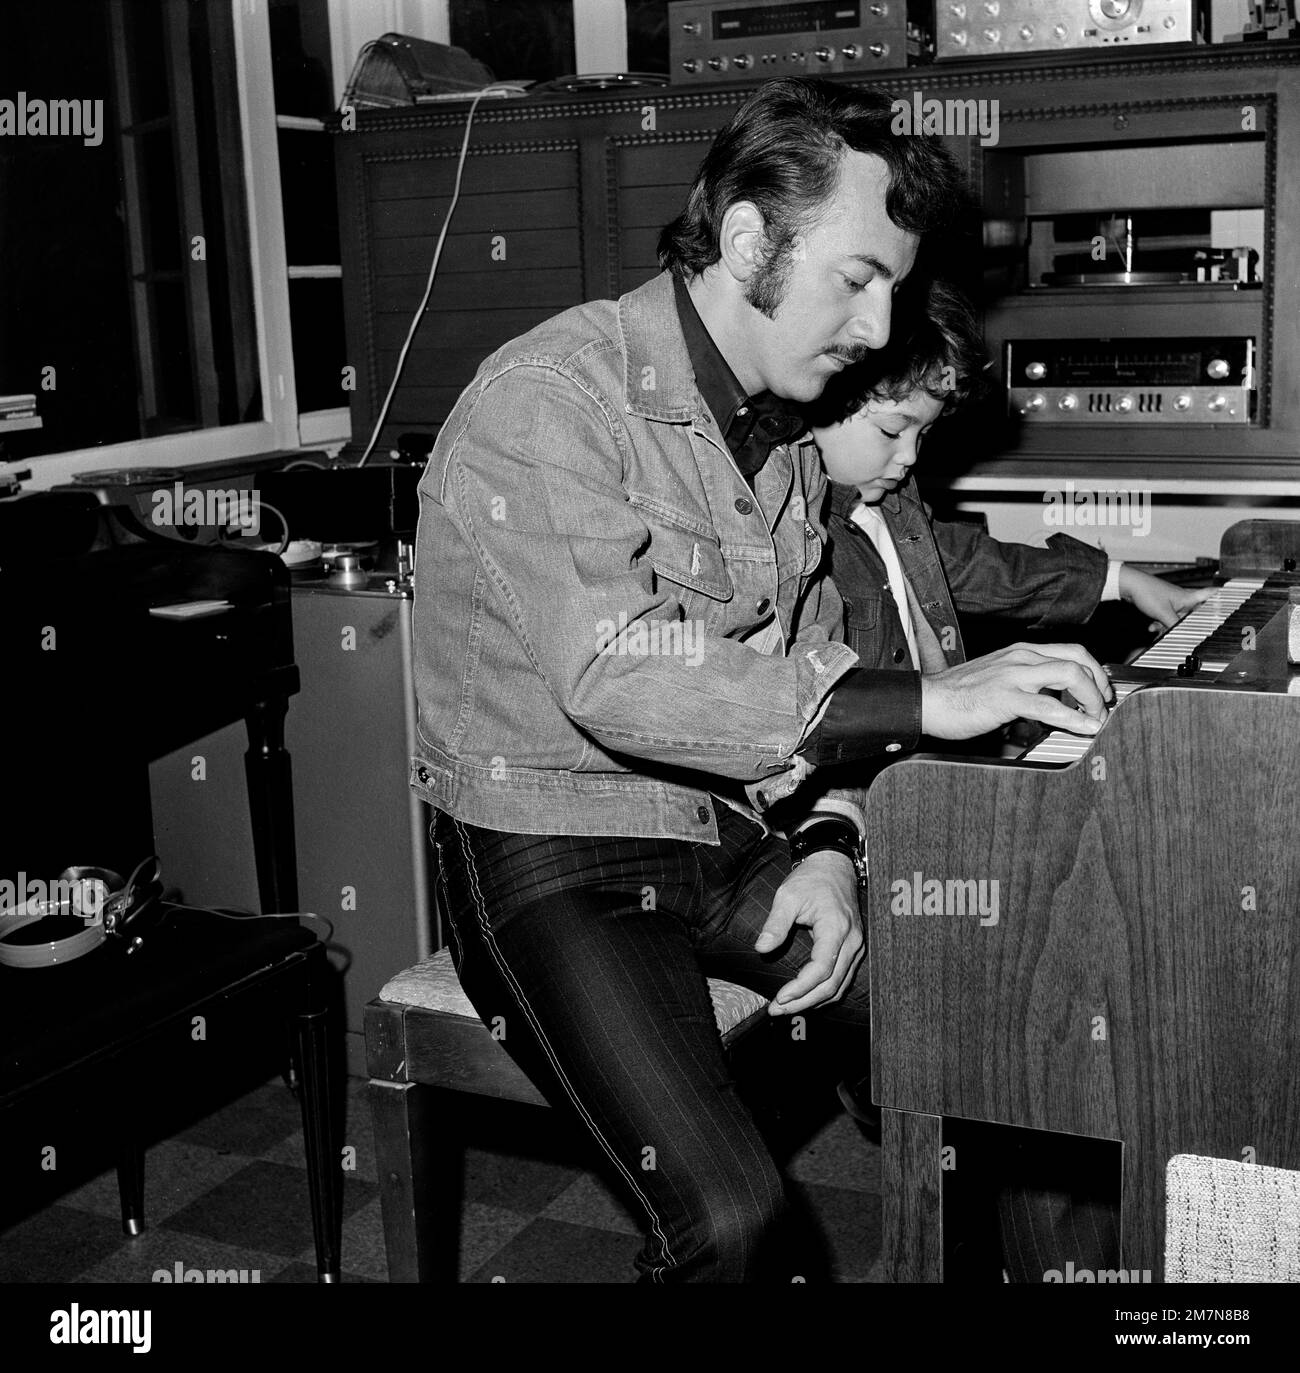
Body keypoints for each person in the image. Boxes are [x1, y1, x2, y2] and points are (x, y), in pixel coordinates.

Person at [409, 77, 1117, 1283]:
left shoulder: (785, 444)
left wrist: (834, 844)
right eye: (858, 277)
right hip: (549, 841)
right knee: (732, 1218)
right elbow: (620, 669)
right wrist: (935, 699)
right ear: (746, 239)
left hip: (730, 829)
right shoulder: (546, 398)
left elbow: (803, 681)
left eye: (895, 282)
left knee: (1014, 1052)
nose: (883, 318)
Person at [802, 277, 1209, 1281]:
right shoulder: (788, 536)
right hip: (852, 823)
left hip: (940, 798)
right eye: (896, 428)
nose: (909, 460)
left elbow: (968, 559)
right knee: (1036, 998)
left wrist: (1115, 578)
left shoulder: (883, 501)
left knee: (1106, 908)